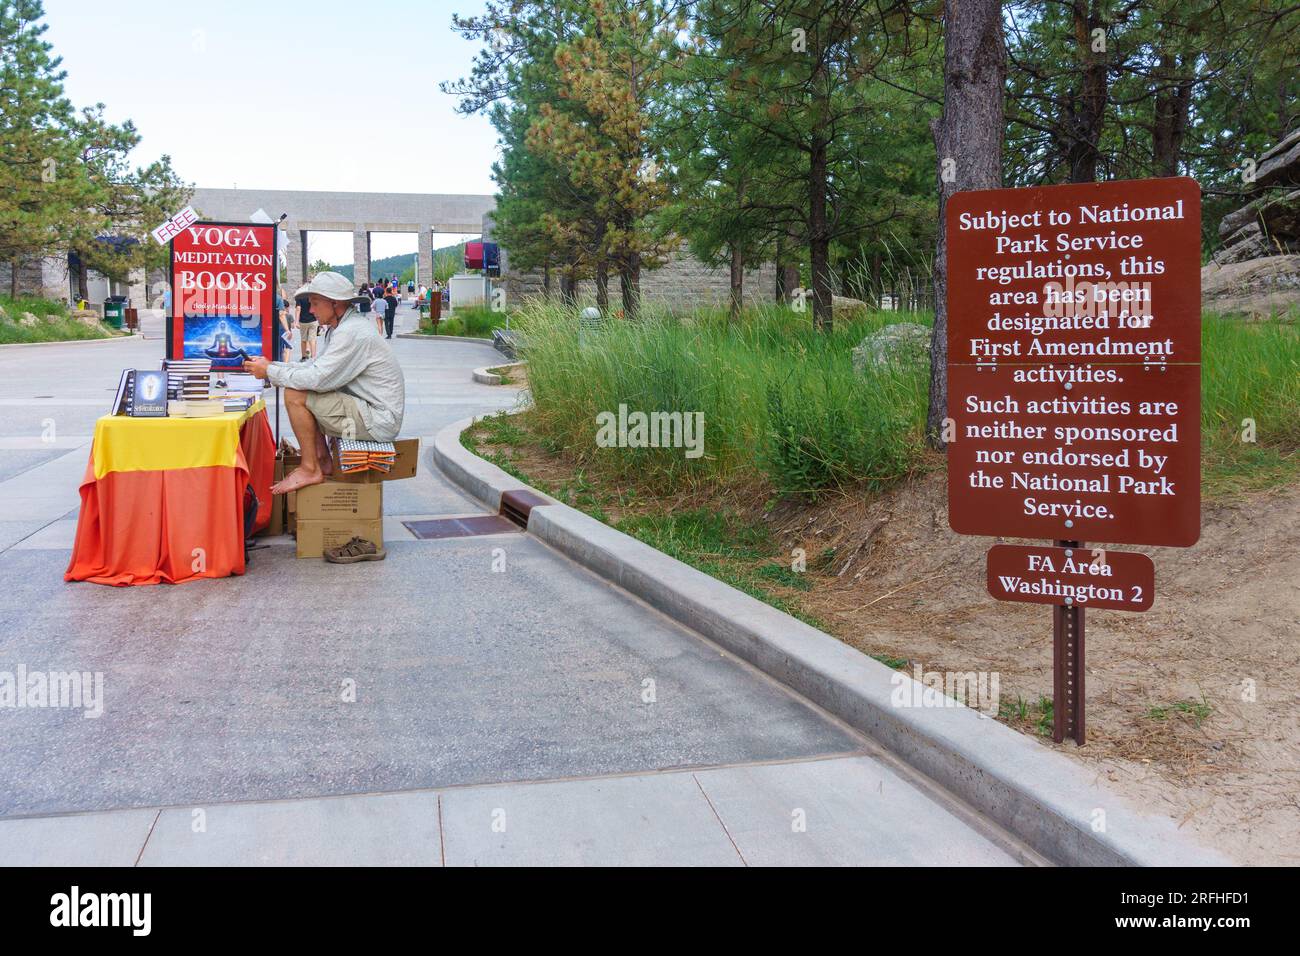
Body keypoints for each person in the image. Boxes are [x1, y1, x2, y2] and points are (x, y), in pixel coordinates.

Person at [243, 271, 405, 495]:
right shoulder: (342, 328)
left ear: (335, 303)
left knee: (295, 394)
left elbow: (318, 378)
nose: (310, 310)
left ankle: (311, 468)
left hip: (377, 420)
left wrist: (269, 371)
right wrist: (272, 366)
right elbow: (314, 366)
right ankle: (321, 459)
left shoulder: (352, 332)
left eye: (315, 303)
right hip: (368, 412)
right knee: (301, 389)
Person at [295, 291, 317, 360]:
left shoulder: (299, 296)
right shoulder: (312, 295)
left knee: (303, 339)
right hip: (313, 320)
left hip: (303, 321)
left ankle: (304, 357)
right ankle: (313, 357)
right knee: (312, 339)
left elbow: (298, 309)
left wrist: (296, 321)